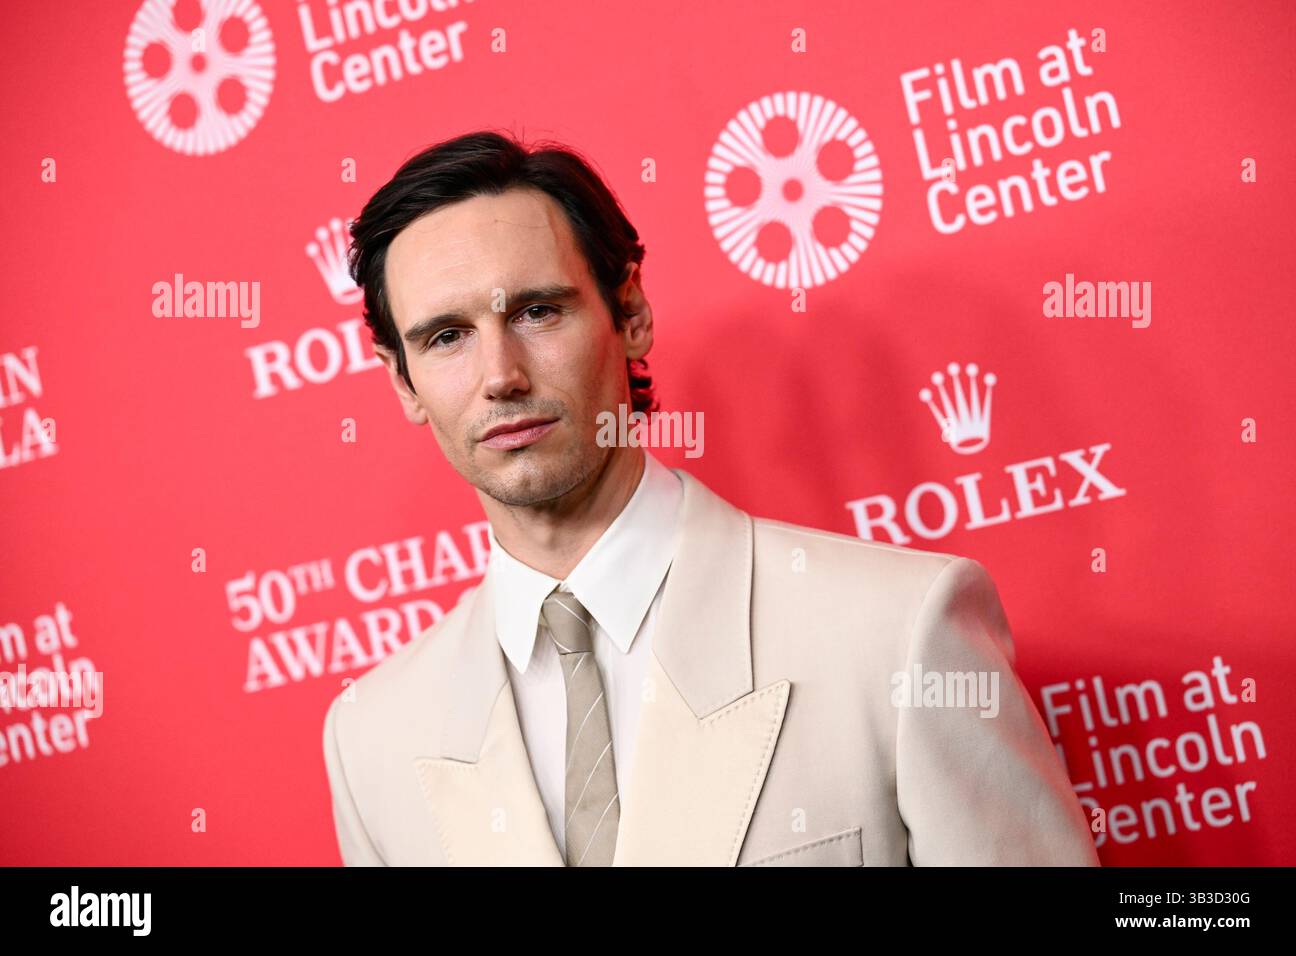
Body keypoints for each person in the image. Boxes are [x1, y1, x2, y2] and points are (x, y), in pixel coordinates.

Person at [321, 129, 1100, 866]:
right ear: (403, 382)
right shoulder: (373, 740)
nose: (501, 375)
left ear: (630, 314)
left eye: (537, 311)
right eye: (445, 336)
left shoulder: (897, 632)